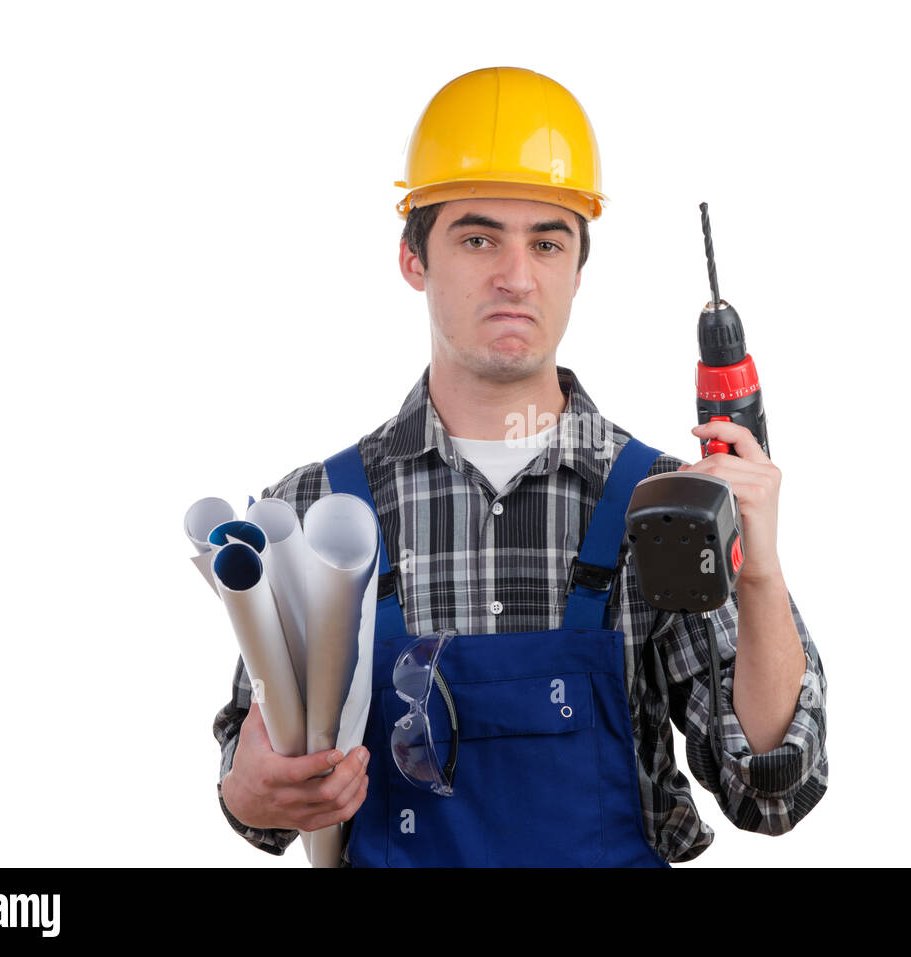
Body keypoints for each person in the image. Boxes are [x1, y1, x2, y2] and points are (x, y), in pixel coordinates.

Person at [213, 66, 828, 866]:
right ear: (412, 257)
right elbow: (253, 788)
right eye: (478, 238)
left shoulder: (669, 507)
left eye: (547, 240)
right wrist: (251, 786)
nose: (516, 275)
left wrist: (759, 572)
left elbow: (770, 793)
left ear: (579, 267)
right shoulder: (315, 512)